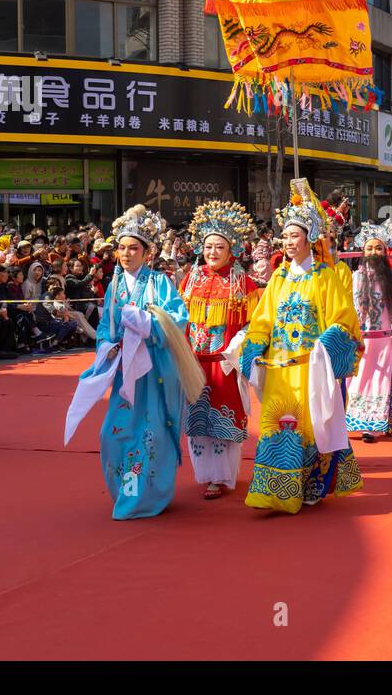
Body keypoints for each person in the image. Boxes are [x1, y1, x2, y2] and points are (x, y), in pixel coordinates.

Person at [237, 182, 364, 513]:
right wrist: (254, 346)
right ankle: (274, 490)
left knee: (311, 426)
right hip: (280, 369)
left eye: (295, 236)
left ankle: (312, 484)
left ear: (310, 239)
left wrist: (326, 344)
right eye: (286, 236)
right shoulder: (279, 277)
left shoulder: (325, 277)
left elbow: (343, 318)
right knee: (277, 424)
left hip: (311, 368)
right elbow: (263, 319)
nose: (288, 242)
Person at [64, 205, 192, 520]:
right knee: (111, 433)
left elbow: (178, 319)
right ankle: (127, 490)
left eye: (133, 248)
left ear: (147, 252)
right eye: (122, 248)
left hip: (153, 373)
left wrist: (147, 325)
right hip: (124, 373)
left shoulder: (159, 283)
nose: (125, 254)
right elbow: (107, 327)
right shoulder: (114, 286)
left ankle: (146, 496)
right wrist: (107, 344)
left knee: (150, 433)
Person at [178, 200, 260, 498]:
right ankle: (206, 473)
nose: (212, 252)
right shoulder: (190, 279)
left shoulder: (242, 282)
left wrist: (237, 348)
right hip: (195, 363)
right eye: (208, 246)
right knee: (198, 419)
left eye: (219, 247)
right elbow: (180, 320)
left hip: (224, 363)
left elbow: (254, 323)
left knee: (223, 418)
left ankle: (222, 476)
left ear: (231, 250)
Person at [347, 222, 392, 442]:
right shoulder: (353, 279)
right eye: (370, 248)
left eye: (378, 248)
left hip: (385, 344)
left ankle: (373, 426)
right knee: (355, 383)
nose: (374, 252)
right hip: (360, 343)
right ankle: (355, 420)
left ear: (385, 251)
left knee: (380, 383)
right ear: (362, 251)